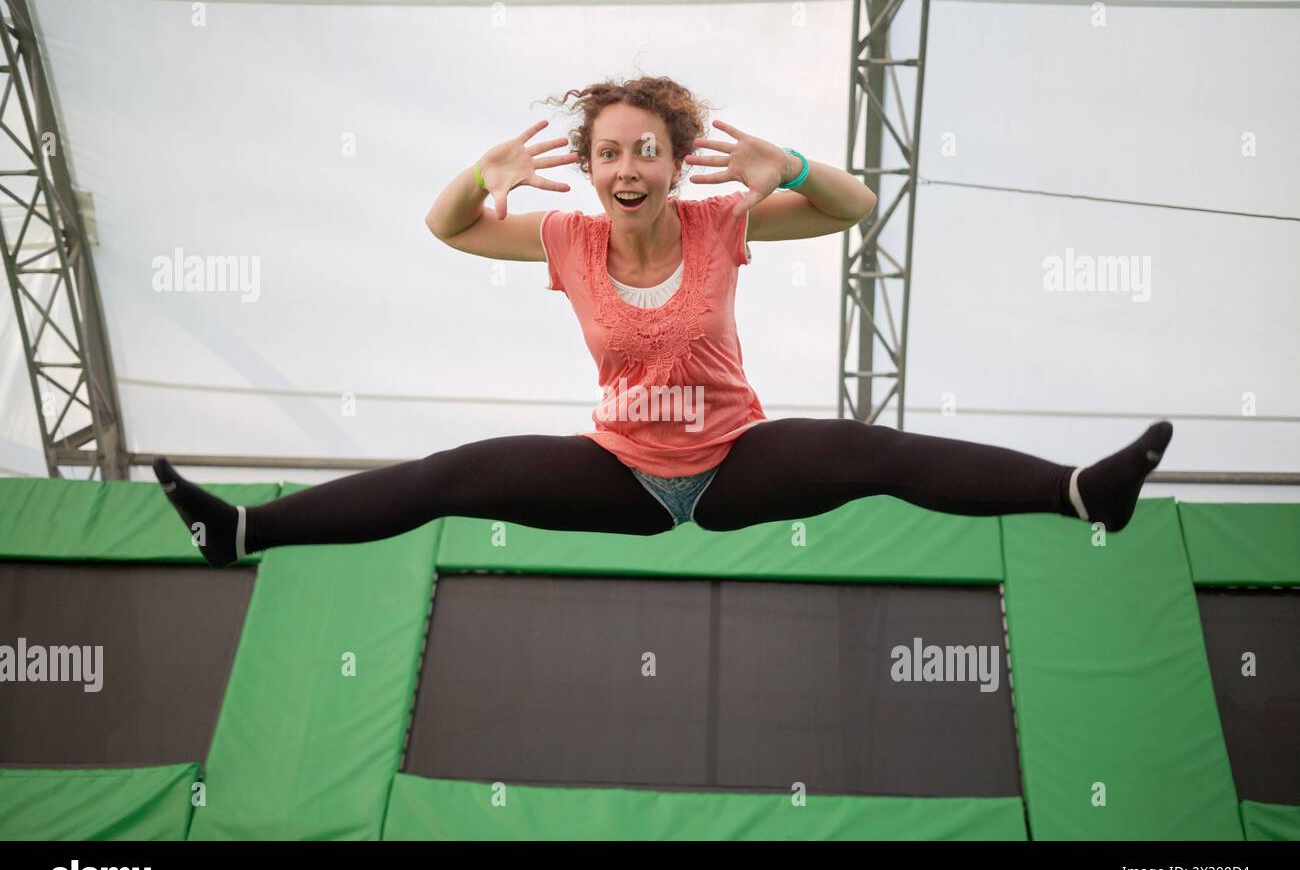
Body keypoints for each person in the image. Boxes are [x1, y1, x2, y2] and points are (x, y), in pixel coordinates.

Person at [153, 76, 1173, 568]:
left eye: (645, 151)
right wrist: (483, 173)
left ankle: (1080, 493)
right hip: (621, 470)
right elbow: (447, 226)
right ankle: (241, 529)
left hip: (734, 460)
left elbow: (856, 209)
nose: (627, 169)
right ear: (591, 168)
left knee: (875, 450)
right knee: (453, 475)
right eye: (608, 153)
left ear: (675, 163)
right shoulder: (563, 238)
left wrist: (800, 169)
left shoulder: (720, 221)